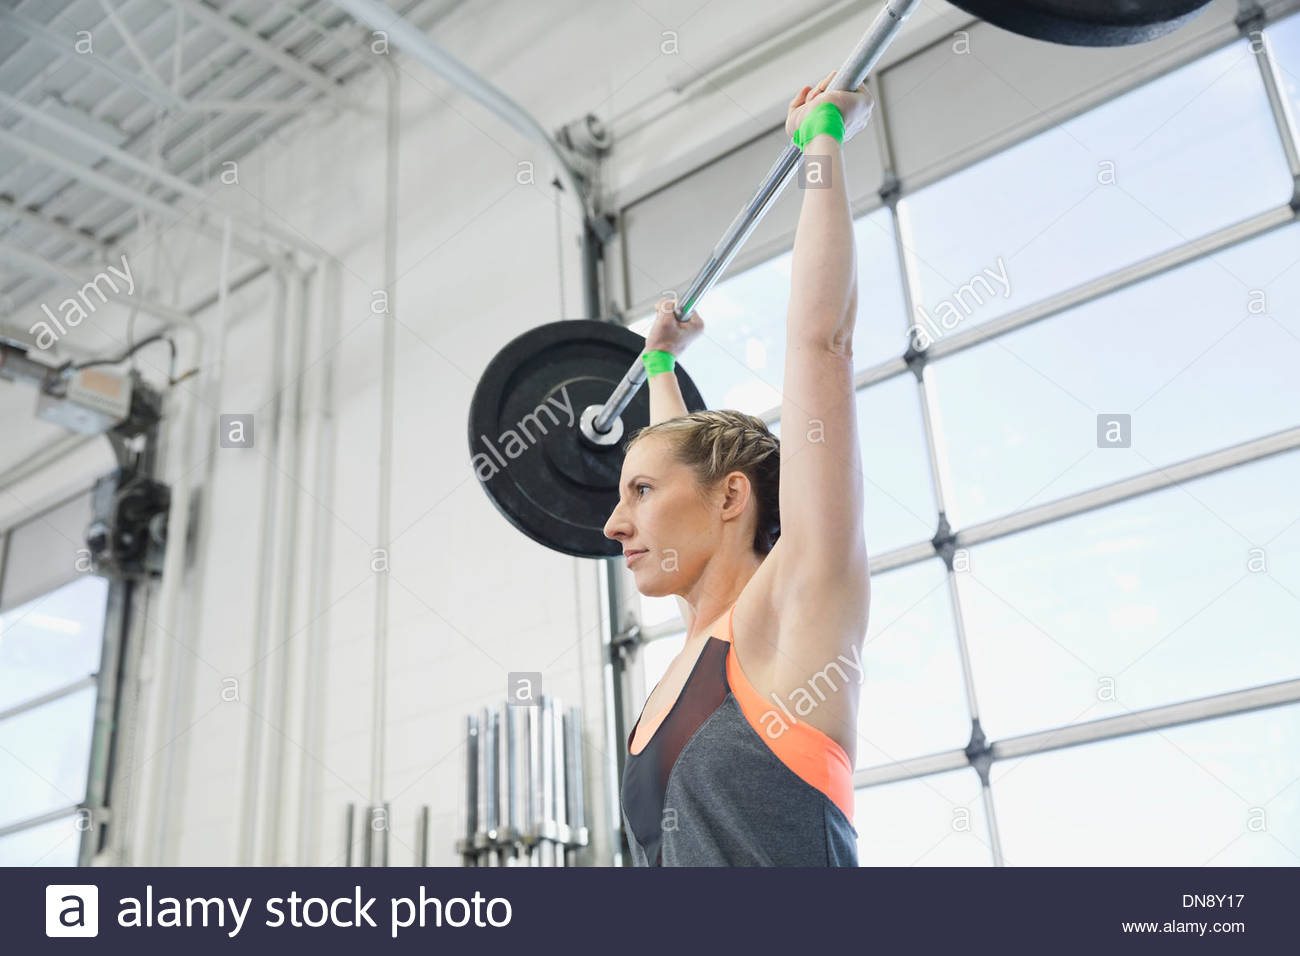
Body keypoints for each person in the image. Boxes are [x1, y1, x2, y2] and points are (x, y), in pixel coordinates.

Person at [603, 71, 874, 866]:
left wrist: (820, 144)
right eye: (626, 496)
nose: (614, 523)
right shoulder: (680, 672)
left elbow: (821, 346)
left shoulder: (798, 607)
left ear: (732, 498)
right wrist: (657, 366)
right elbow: (678, 459)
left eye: (638, 496)